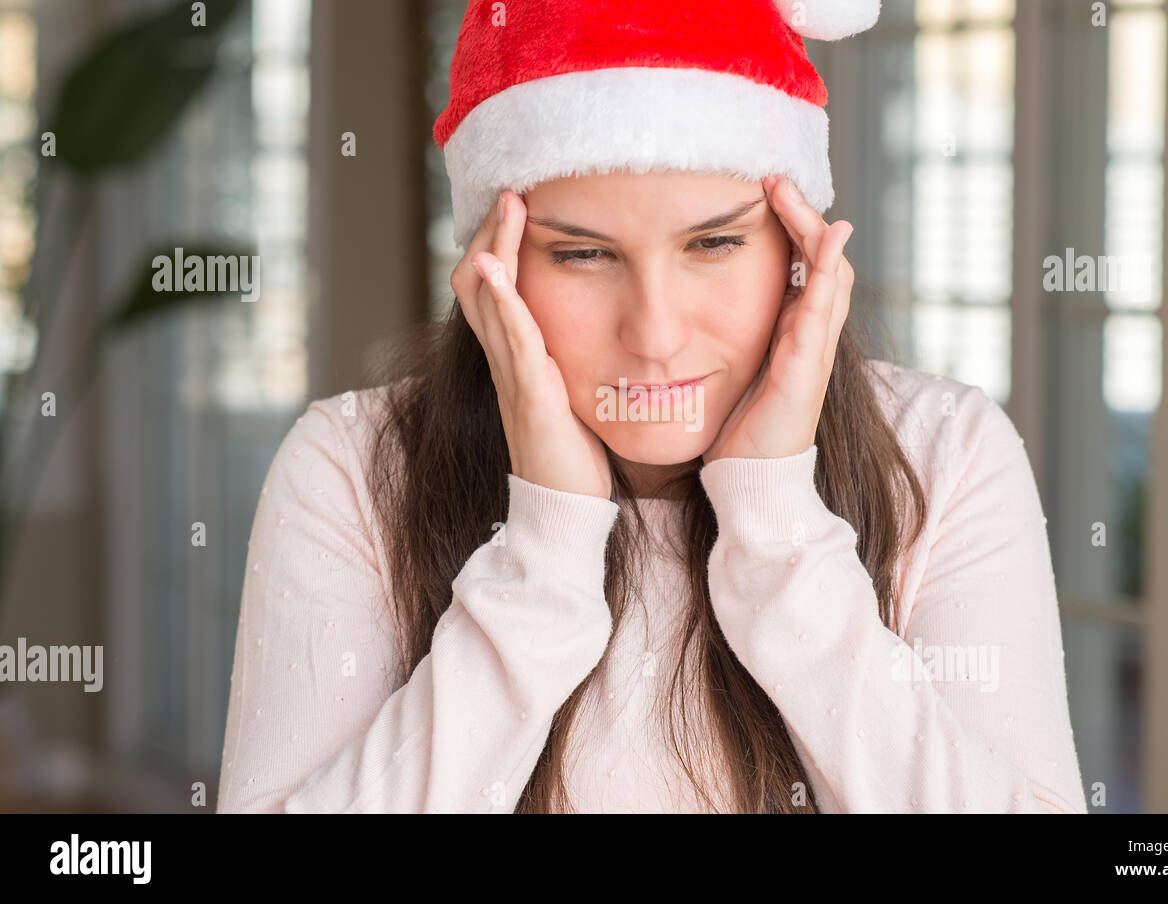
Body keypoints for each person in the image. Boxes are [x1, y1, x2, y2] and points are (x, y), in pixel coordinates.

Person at [215, 0, 1087, 814]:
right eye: (583, 256)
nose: (656, 336)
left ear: (800, 243)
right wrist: (546, 550)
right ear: (495, 264)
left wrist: (778, 526)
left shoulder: (948, 454)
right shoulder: (353, 467)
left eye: (714, 242)